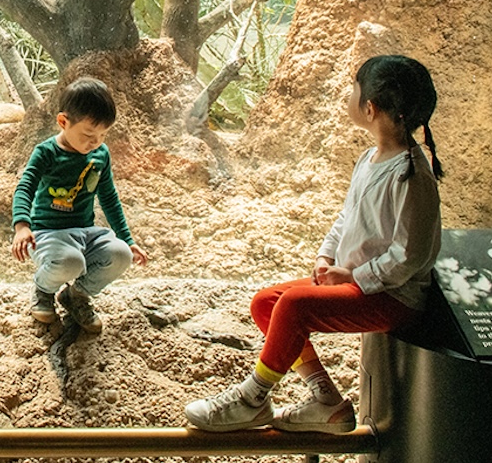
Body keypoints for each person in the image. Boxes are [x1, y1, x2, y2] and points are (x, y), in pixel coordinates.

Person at [185, 54, 443, 433]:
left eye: (354, 89)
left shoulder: (410, 176)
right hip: (358, 283)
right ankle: (326, 400)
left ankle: (253, 397)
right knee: (266, 304)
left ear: (369, 108)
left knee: (293, 306)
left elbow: (409, 257)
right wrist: (327, 256)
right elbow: (347, 217)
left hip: (394, 297)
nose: (350, 95)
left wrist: (355, 277)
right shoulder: (369, 159)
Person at [10, 76, 149, 334]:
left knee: (121, 255)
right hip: (47, 233)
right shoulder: (46, 152)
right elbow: (25, 187)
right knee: (70, 262)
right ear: (63, 122)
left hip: (85, 232)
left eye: (103, 134)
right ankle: (43, 290)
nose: (95, 142)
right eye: (88, 134)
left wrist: (128, 240)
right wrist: (21, 226)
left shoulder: (100, 154)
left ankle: (76, 296)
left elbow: (109, 198)